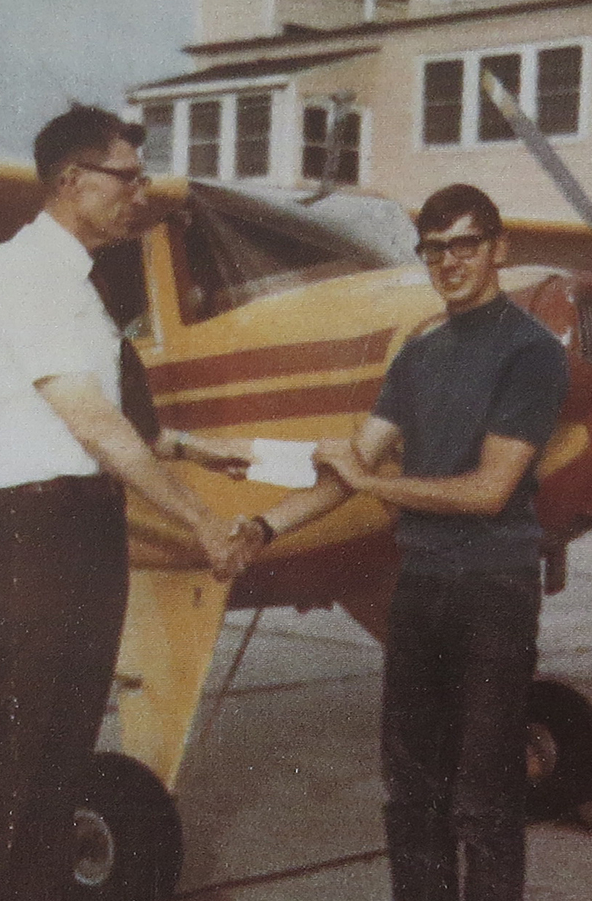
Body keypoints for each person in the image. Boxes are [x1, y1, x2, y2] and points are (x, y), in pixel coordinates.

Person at [0, 104, 249, 901]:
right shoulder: (24, 271)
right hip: (30, 531)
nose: (138, 194)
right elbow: (89, 420)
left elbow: (97, 419)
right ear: (72, 181)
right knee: (12, 756)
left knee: (59, 751)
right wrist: (200, 520)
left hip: (78, 525)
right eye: (127, 177)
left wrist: (186, 446)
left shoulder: (76, 285)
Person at [235, 184, 569, 901]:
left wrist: (375, 481)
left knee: (482, 799)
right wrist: (265, 528)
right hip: (420, 587)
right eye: (434, 247)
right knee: (409, 791)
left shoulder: (531, 352)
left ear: (498, 249)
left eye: (465, 244)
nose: (449, 261)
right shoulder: (419, 354)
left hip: (491, 590)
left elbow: (489, 490)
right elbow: (352, 465)